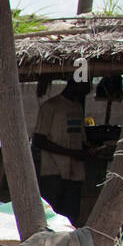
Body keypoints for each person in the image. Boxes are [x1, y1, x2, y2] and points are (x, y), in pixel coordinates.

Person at [34, 78, 91, 224]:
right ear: (73, 85)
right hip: (54, 171)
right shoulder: (50, 107)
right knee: (51, 216)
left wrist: (88, 151)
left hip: (75, 173)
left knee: (71, 216)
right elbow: (39, 140)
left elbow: (80, 139)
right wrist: (72, 153)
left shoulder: (77, 107)